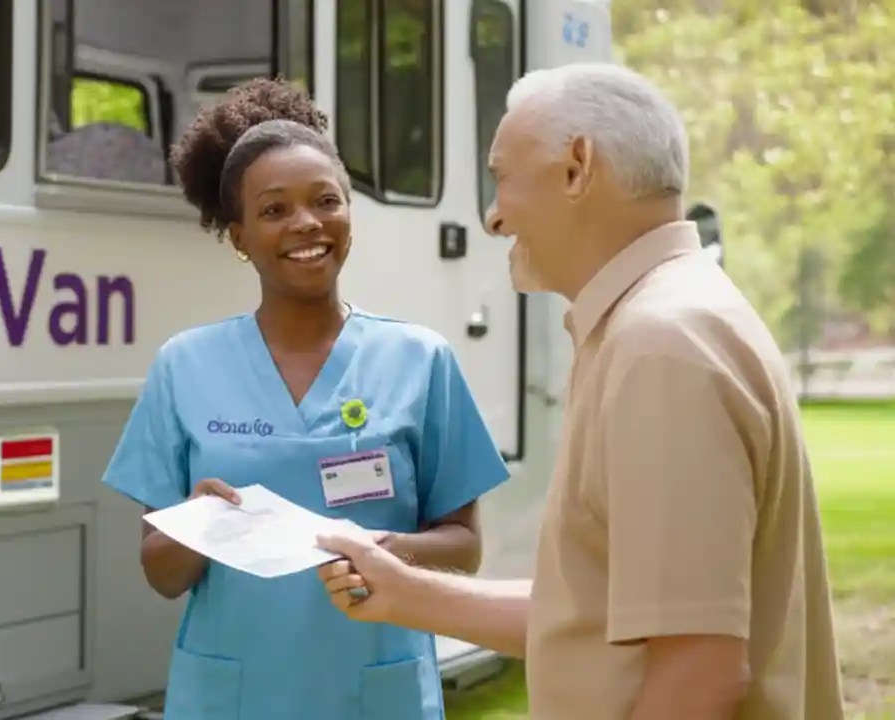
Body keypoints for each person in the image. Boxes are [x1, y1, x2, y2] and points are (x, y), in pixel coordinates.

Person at [317, 62, 846, 720]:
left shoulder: (662, 346)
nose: (492, 216)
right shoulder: (661, 321)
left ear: (576, 167)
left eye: (501, 177)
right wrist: (400, 590)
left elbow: (697, 672)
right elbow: (599, 618)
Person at [100, 78, 510, 719]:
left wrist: (371, 549)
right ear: (238, 237)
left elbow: (462, 546)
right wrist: (199, 525)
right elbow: (161, 574)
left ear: (350, 212)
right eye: (273, 210)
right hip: (233, 696)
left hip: (377, 691)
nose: (307, 224)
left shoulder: (419, 360)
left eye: (326, 201)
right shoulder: (185, 365)